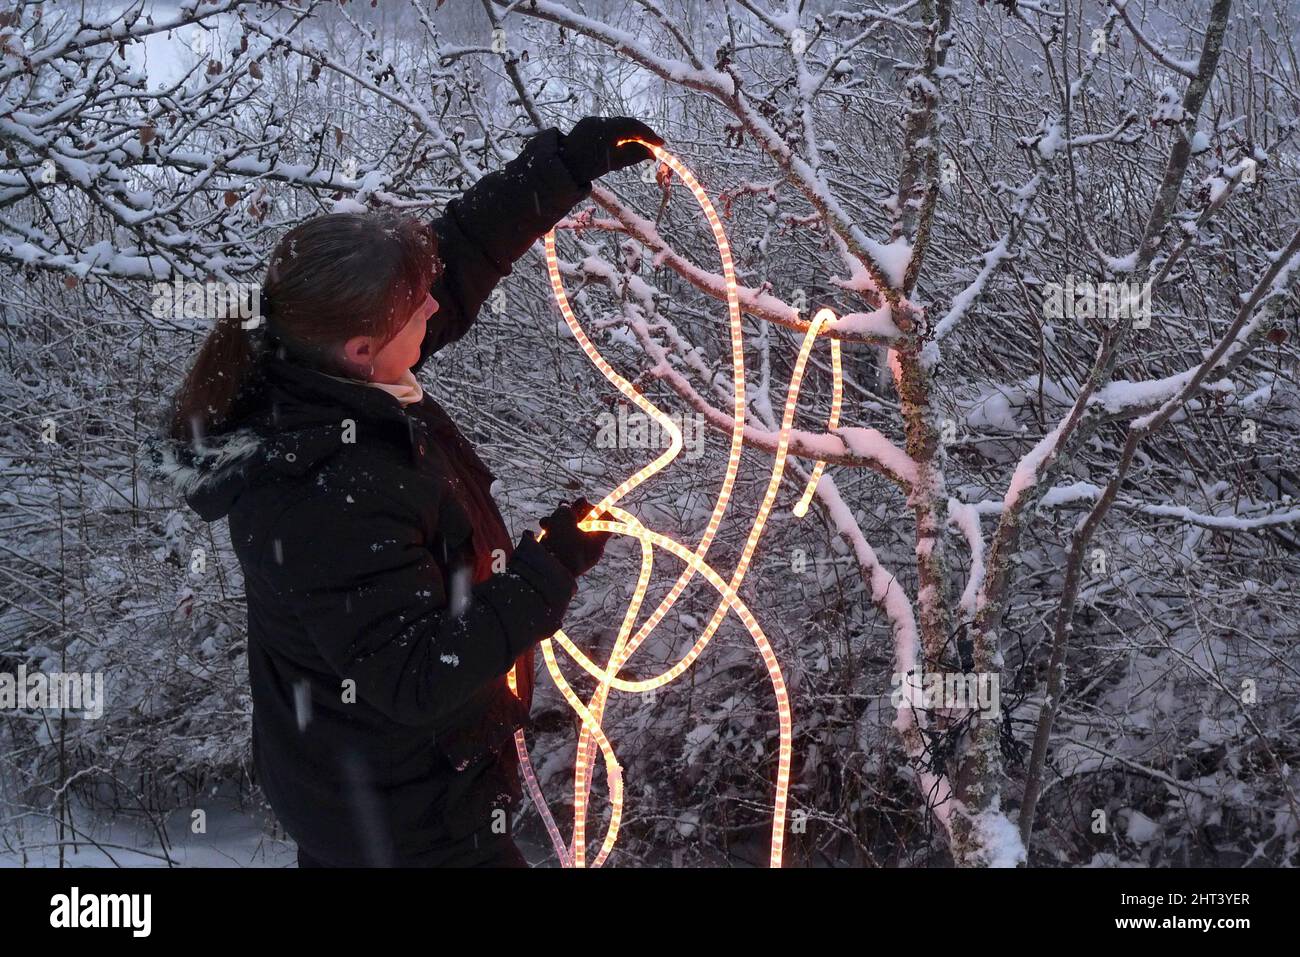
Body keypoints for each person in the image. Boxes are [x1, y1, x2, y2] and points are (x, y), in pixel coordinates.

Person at [144, 116, 664, 867]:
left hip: (359, 791)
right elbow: (420, 675)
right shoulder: (323, 492)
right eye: (416, 305)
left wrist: (563, 168)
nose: (434, 306)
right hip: (405, 826)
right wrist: (548, 569)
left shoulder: (312, 366)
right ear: (362, 349)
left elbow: (450, 263)